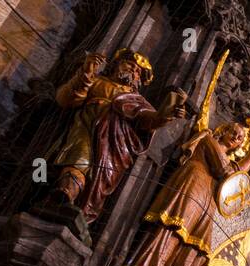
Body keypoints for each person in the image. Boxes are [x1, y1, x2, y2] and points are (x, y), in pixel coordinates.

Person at [49, 49, 184, 222]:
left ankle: (80, 212)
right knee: (79, 157)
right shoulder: (97, 81)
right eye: (130, 65)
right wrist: (85, 73)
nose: (134, 71)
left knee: (100, 179)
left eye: (138, 72)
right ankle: (64, 195)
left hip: (116, 146)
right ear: (116, 65)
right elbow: (64, 99)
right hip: (87, 127)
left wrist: (167, 115)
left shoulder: (137, 100)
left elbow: (149, 120)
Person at [127, 119, 250, 266]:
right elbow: (227, 172)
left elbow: (233, 178)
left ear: (239, 145)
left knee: (195, 238)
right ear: (224, 130)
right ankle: (153, 265)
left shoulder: (228, 162)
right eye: (233, 132)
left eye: (240, 138)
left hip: (208, 195)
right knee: (175, 224)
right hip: (193, 184)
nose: (235, 137)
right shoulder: (208, 140)